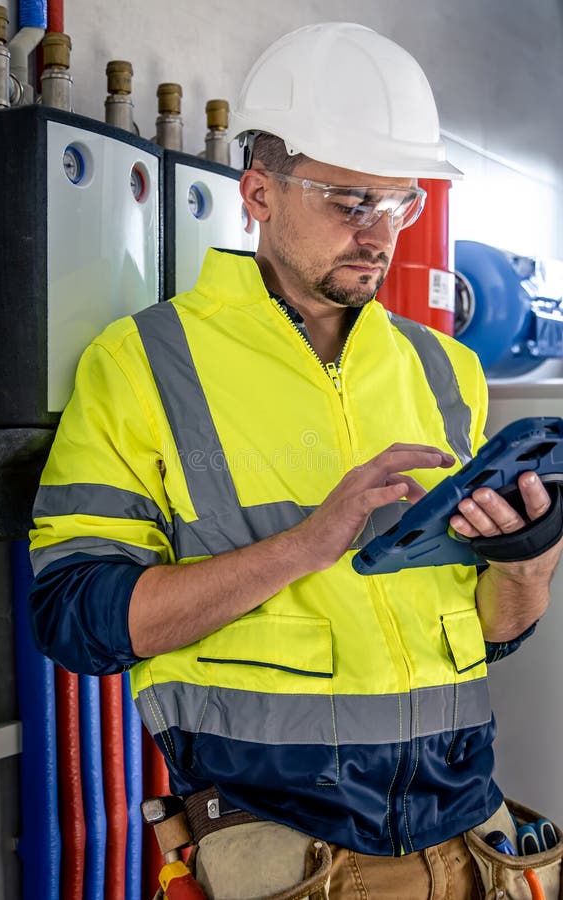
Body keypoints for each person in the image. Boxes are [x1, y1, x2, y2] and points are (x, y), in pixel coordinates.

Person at [29, 22, 563, 899]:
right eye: (350, 201)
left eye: (401, 202)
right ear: (259, 193)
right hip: (282, 858)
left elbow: (493, 637)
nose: (380, 233)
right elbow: (75, 617)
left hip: (475, 842)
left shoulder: (447, 370)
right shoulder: (142, 362)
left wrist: (528, 560)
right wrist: (305, 546)